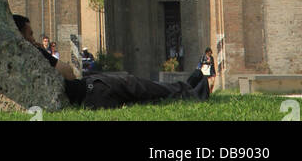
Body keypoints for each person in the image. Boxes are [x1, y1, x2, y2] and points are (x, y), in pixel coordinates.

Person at [12, 14, 209, 110]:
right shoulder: (32, 51)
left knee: (142, 97)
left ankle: (185, 89)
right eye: (29, 34)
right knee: (135, 85)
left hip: (91, 97)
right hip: (92, 90)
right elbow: (68, 73)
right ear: (19, 34)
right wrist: (41, 51)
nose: (33, 38)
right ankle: (188, 90)